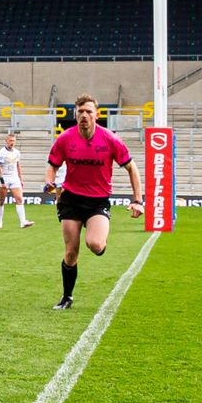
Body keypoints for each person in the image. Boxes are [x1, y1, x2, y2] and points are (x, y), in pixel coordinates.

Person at [47, 95, 144, 310]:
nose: (84, 115)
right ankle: (67, 297)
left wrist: (138, 200)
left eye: (88, 111)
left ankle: (100, 242)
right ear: (75, 114)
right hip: (71, 200)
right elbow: (52, 164)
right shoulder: (65, 139)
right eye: (80, 111)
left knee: (96, 245)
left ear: (96, 115)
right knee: (71, 252)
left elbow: (132, 168)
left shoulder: (110, 139)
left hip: (98, 202)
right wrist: (49, 182)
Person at [0, 133, 36, 229]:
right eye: (10, 141)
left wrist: (20, 179)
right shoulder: (1, 153)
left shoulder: (17, 152)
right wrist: (2, 181)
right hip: (4, 177)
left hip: (14, 178)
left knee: (19, 199)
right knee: (1, 200)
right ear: (6, 141)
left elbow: (18, 165)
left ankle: (23, 222)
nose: (12, 142)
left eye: (14, 141)